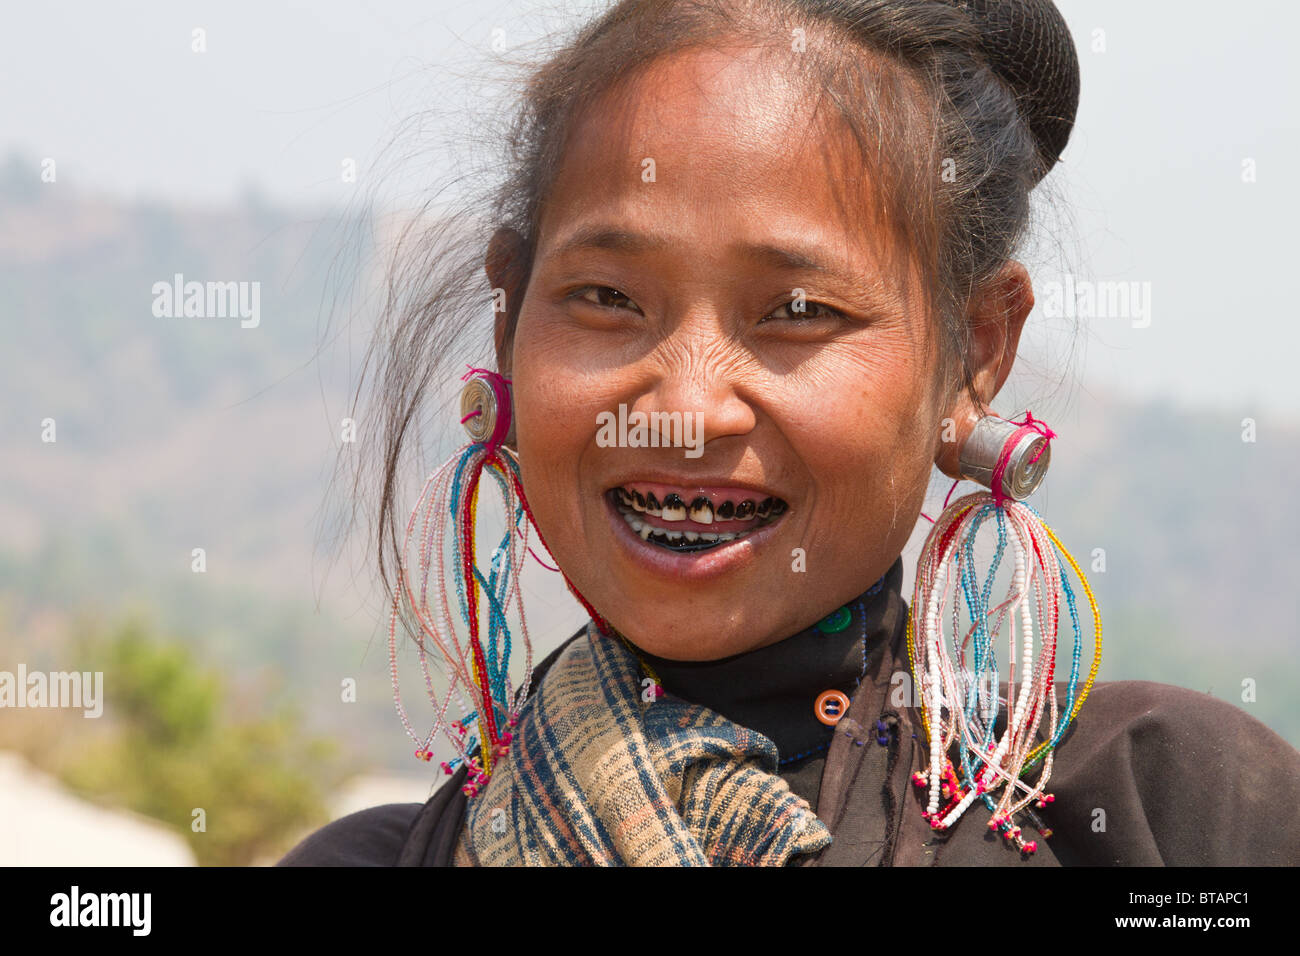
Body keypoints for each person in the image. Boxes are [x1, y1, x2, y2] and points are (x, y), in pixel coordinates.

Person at [279, 0, 1300, 867]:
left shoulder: (1162, 812)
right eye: (605, 296)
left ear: (976, 350)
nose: (686, 405)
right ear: (508, 320)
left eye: (799, 310)